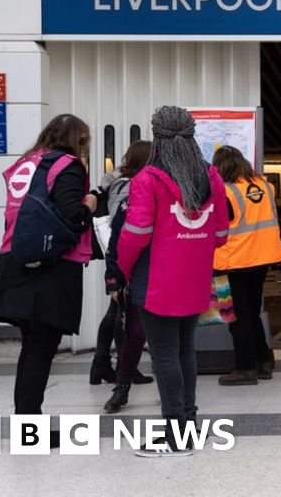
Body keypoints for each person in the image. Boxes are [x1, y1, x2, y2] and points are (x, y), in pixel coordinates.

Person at [115, 106, 228, 457]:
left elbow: (136, 233)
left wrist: (122, 267)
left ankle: (175, 435)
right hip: (195, 277)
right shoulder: (211, 177)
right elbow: (221, 234)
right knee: (185, 350)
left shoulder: (147, 179)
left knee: (164, 353)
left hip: (156, 279)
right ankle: (189, 425)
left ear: (157, 137)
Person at [0, 113, 97, 449]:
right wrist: (91, 203)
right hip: (49, 268)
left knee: (32, 346)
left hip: (14, 260)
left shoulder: (28, 163)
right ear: (77, 140)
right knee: (41, 348)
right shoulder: (67, 165)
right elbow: (73, 215)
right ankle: (28, 430)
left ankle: (26, 424)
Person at [211, 145, 281, 386]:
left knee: (236, 317)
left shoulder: (226, 192)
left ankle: (245, 368)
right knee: (252, 312)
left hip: (233, 261)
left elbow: (218, 226)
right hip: (261, 259)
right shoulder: (265, 186)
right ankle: (264, 361)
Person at [100, 140, 154, 413]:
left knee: (172, 340)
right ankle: (122, 387)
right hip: (140, 274)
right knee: (135, 333)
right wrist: (114, 278)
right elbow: (118, 241)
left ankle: (176, 396)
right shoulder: (131, 196)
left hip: (166, 274)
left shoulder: (175, 192)